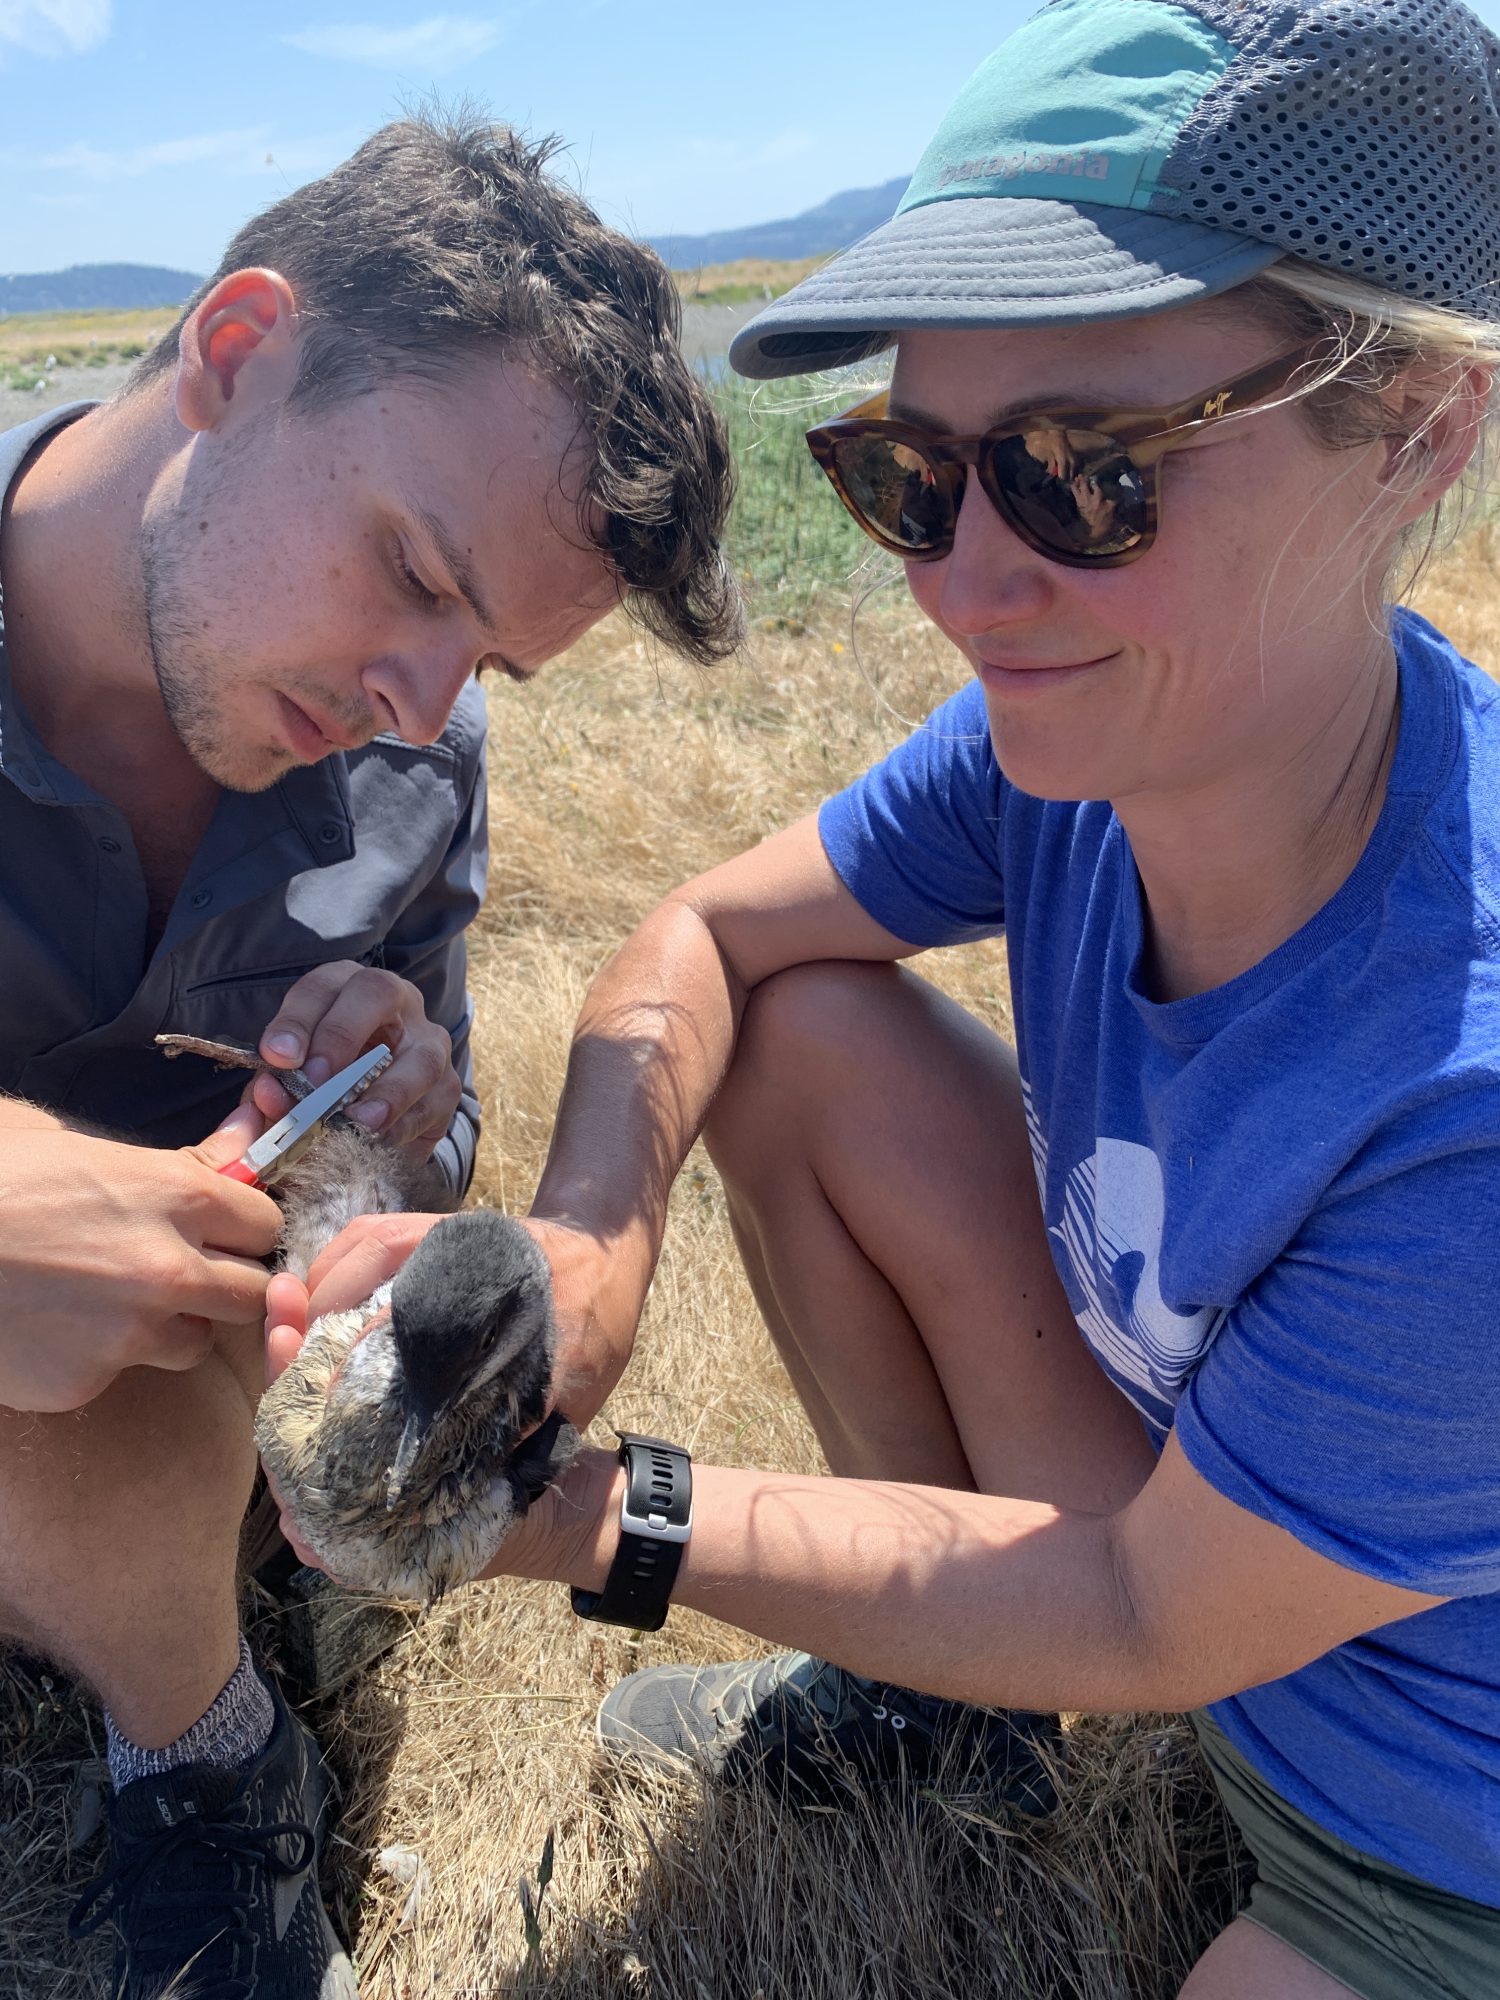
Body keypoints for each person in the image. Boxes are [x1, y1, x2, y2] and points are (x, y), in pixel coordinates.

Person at [276, 4, 1500, 1996]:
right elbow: (708, 937)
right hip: (1193, 1565)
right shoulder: (1078, 744)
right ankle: (947, 1707)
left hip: (1423, 1835)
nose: (963, 583)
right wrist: (590, 1250)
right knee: (812, 1025)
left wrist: (583, 1514)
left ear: (1424, 427)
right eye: (910, 475)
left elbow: (1136, 1614)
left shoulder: (1467, 1091)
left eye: (1090, 475)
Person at [0, 112, 738, 2000]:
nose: (416, 707)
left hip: (180, 1400)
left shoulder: (408, 759)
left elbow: (425, 1154)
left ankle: (204, 1722)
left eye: (488, 661)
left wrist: (405, 1110)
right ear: (238, 354)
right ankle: (213, 1719)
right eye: (414, 571)